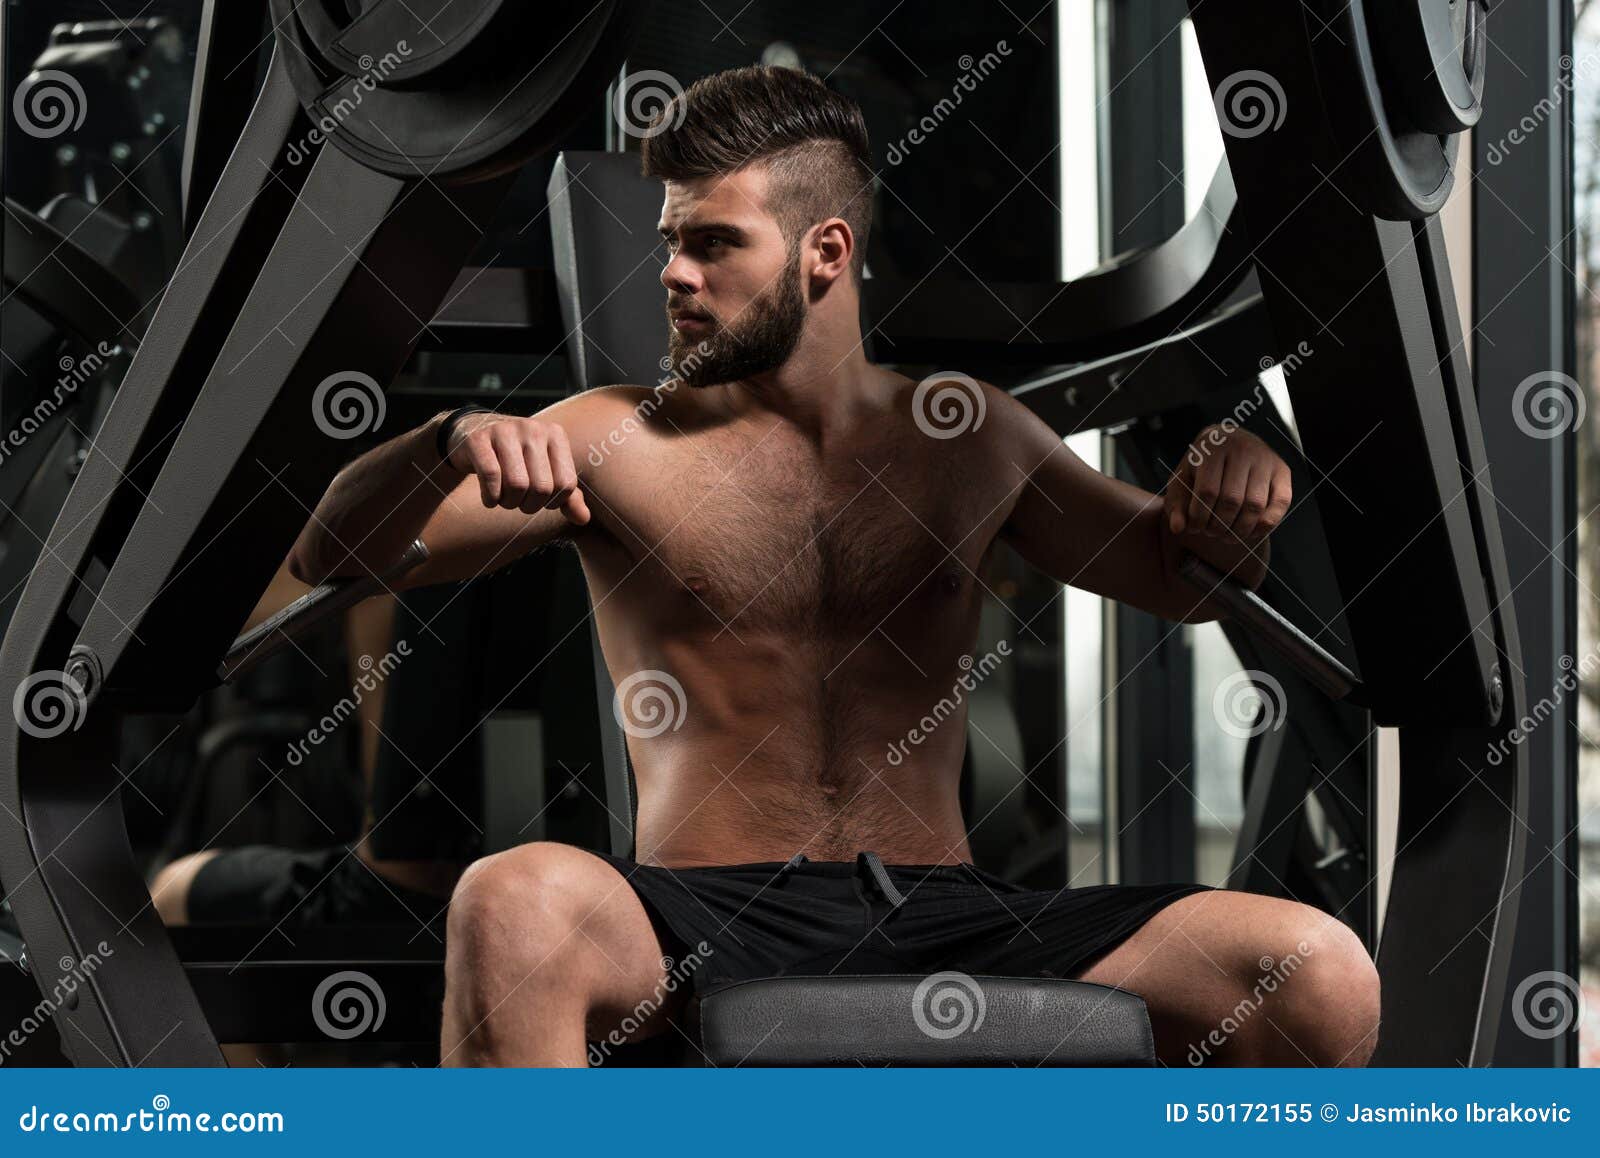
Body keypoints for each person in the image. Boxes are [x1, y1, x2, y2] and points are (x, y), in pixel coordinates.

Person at [286, 65, 1380, 1067]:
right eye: (670, 241)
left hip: (949, 910)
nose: (673, 271)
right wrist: (442, 441)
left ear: (825, 253)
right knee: (512, 900)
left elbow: (1179, 575)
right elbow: (333, 550)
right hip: (702, 910)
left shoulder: (969, 437)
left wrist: (1236, 483)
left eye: (713, 243)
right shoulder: (611, 437)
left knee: (1315, 972)